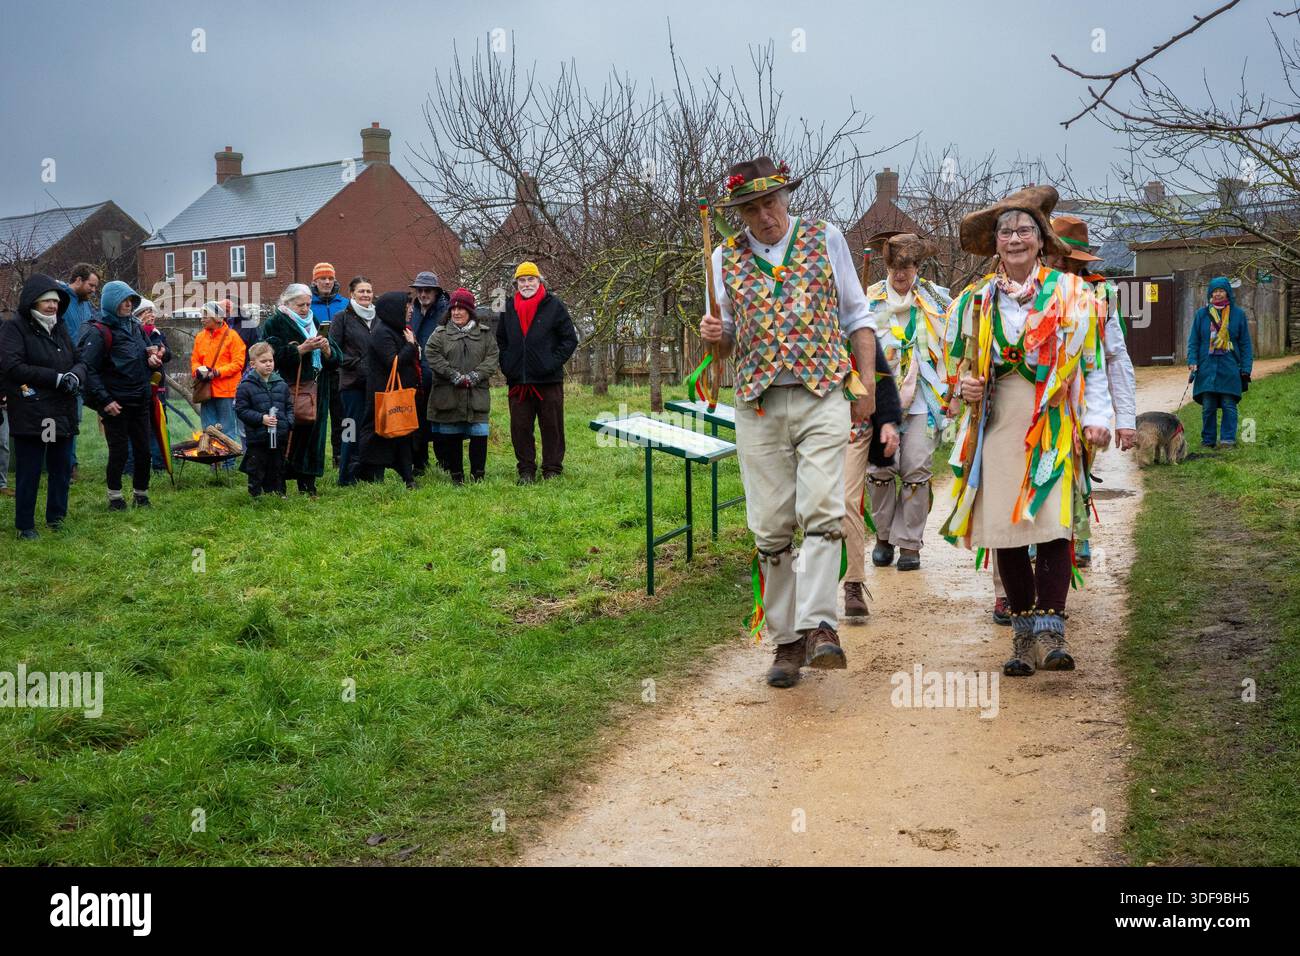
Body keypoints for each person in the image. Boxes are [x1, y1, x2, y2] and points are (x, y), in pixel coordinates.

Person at [699, 156, 900, 688]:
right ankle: (786, 640)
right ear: (737, 213)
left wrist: (863, 390)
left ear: (785, 198)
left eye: (770, 203)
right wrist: (714, 336)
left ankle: (819, 626)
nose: (763, 216)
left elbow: (858, 318)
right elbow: (725, 341)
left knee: (821, 507)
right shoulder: (723, 259)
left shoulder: (825, 238)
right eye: (750, 209)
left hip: (822, 395)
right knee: (771, 525)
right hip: (759, 404)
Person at [941, 186, 1112, 676]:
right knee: (1006, 528)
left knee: (1053, 520)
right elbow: (952, 371)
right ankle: (1021, 634)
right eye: (1005, 232)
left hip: (1053, 416)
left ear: (1042, 241)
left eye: (1024, 231)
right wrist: (965, 386)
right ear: (995, 244)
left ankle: (1052, 630)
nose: (1015, 239)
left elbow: (1093, 364)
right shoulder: (973, 303)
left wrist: (1098, 417)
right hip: (997, 418)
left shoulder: (1073, 295)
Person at [855, 232, 953, 582]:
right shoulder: (867, 301)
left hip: (921, 402)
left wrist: (951, 390)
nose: (901, 273)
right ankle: (883, 537)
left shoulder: (935, 301)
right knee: (881, 471)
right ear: (886, 265)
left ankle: (909, 543)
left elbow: (950, 346)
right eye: (896, 265)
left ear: (917, 266)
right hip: (882, 402)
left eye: (909, 265)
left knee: (916, 469)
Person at [0, 275, 86, 538]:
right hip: (34, 410)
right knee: (31, 469)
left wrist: (76, 375)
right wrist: (56, 378)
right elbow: (13, 366)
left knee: (60, 466)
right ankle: (25, 525)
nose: (52, 306)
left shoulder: (58, 328)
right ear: (33, 302)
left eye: (56, 302)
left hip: (61, 410)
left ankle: (56, 517)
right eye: (46, 301)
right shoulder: (15, 329)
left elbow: (80, 358)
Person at [78, 280, 162, 510]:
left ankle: (141, 495)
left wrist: (153, 361)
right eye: (123, 301)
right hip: (116, 403)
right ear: (111, 303)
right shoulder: (99, 331)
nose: (127, 305)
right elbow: (89, 369)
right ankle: (115, 497)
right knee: (120, 452)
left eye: (130, 301)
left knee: (144, 451)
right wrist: (105, 401)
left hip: (140, 400)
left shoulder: (135, 326)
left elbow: (147, 353)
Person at [497, 261, 578, 483]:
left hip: (548, 381)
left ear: (539, 280)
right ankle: (526, 470)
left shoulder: (554, 305)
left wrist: (551, 362)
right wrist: (507, 364)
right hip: (518, 381)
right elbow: (501, 340)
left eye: (530, 279)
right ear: (516, 284)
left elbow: (569, 339)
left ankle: (552, 469)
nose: (526, 284)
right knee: (520, 428)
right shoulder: (507, 307)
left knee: (552, 427)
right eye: (521, 280)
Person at [262, 283, 339, 497]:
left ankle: (308, 485)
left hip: (317, 388)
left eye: (308, 304)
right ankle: (279, 485)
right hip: (287, 388)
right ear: (287, 303)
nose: (306, 309)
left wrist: (326, 349)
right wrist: (301, 349)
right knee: (287, 437)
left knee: (312, 437)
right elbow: (268, 357)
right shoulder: (275, 323)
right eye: (300, 305)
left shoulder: (314, 321)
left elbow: (337, 359)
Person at [425, 288, 499, 483]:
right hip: (448, 394)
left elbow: (492, 357)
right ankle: (456, 476)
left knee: (479, 434)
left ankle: (478, 476)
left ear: (470, 311)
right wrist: (452, 375)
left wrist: (476, 376)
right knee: (452, 434)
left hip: (477, 395)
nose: (456, 312)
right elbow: (431, 354)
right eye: (453, 309)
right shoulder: (439, 334)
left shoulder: (484, 334)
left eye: (461, 309)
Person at [358, 290, 420, 487]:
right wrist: (411, 346)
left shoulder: (398, 329)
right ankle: (370, 477)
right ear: (395, 310)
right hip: (384, 394)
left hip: (396, 393)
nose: (411, 310)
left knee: (402, 434)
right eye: (407, 306)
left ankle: (407, 477)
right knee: (379, 434)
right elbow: (393, 361)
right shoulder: (382, 332)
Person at [1188, 276, 1253, 448]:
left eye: (1221, 291)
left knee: (1228, 404)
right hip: (1206, 367)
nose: (1217, 294)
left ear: (1228, 293)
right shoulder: (1202, 315)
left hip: (1230, 366)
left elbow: (1245, 343)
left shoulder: (1238, 315)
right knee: (1208, 407)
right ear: (1210, 294)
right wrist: (1192, 360)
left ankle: (1227, 440)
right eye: (1214, 291)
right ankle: (1208, 441)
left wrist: (1246, 368)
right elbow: (1194, 340)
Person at [190, 300, 247, 471]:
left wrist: (216, 372)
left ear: (217, 317)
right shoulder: (200, 337)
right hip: (206, 391)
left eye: (205, 315)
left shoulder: (233, 337)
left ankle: (228, 465)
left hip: (226, 391)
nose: (202, 319)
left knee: (227, 429)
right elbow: (194, 360)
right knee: (208, 429)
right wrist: (198, 372)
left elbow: (238, 363)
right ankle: (213, 464)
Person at [332, 276, 376, 486]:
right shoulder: (342, 318)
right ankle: (347, 475)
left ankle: (369, 472)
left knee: (371, 429)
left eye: (368, 291)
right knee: (350, 429)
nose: (366, 295)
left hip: (374, 385)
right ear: (352, 294)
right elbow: (335, 351)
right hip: (351, 385)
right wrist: (358, 364)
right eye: (361, 291)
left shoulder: (379, 318)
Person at [235, 342, 293, 497]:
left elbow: (289, 406)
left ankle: (279, 493)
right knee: (257, 466)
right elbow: (241, 410)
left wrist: (288, 423)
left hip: (279, 436)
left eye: (271, 361)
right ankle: (256, 495)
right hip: (257, 437)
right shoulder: (245, 386)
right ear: (253, 364)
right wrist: (261, 419)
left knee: (278, 466)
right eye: (263, 361)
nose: (268, 364)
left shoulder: (281, 384)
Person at [124, 298, 173, 473]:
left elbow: (168, 355)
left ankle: (159, 465)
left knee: (157, 425)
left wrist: (163, 352)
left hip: (157, 389)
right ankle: (130, 467)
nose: (151, 315)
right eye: (147, 312)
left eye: (152, 312)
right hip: (138, 387)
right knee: (134, 428)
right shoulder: (131, 333)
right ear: (137, 315)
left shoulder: (158, 334)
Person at [409, 271, 450, 476]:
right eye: (420, 290)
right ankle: (419, 463)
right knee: (418, 423)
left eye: (427, 290)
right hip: (416, 376)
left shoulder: (447, 311)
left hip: (439, 375)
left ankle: (445, 463)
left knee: (441, 422)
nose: (423, 294)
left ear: (436, 292)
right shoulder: (412, 311)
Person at [61, 262, 100, 479]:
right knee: (64, 418)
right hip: (63, 368)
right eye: (91, 286)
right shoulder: (61, 300)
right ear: (78, 280)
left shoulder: (86, 305)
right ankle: (64, 465)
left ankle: (70, 463)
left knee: (75, 418)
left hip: (82, 368)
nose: (93, 290)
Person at [310, 263, 348, 467]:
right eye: (322, 278)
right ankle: (315, 457)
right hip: (317, 370)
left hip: (341, 368)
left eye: (329, 278)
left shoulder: (345, 303)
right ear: (314, 281)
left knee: (342, 416)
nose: (326, 282)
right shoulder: (308, 304)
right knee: (316, 416)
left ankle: (340, 456)